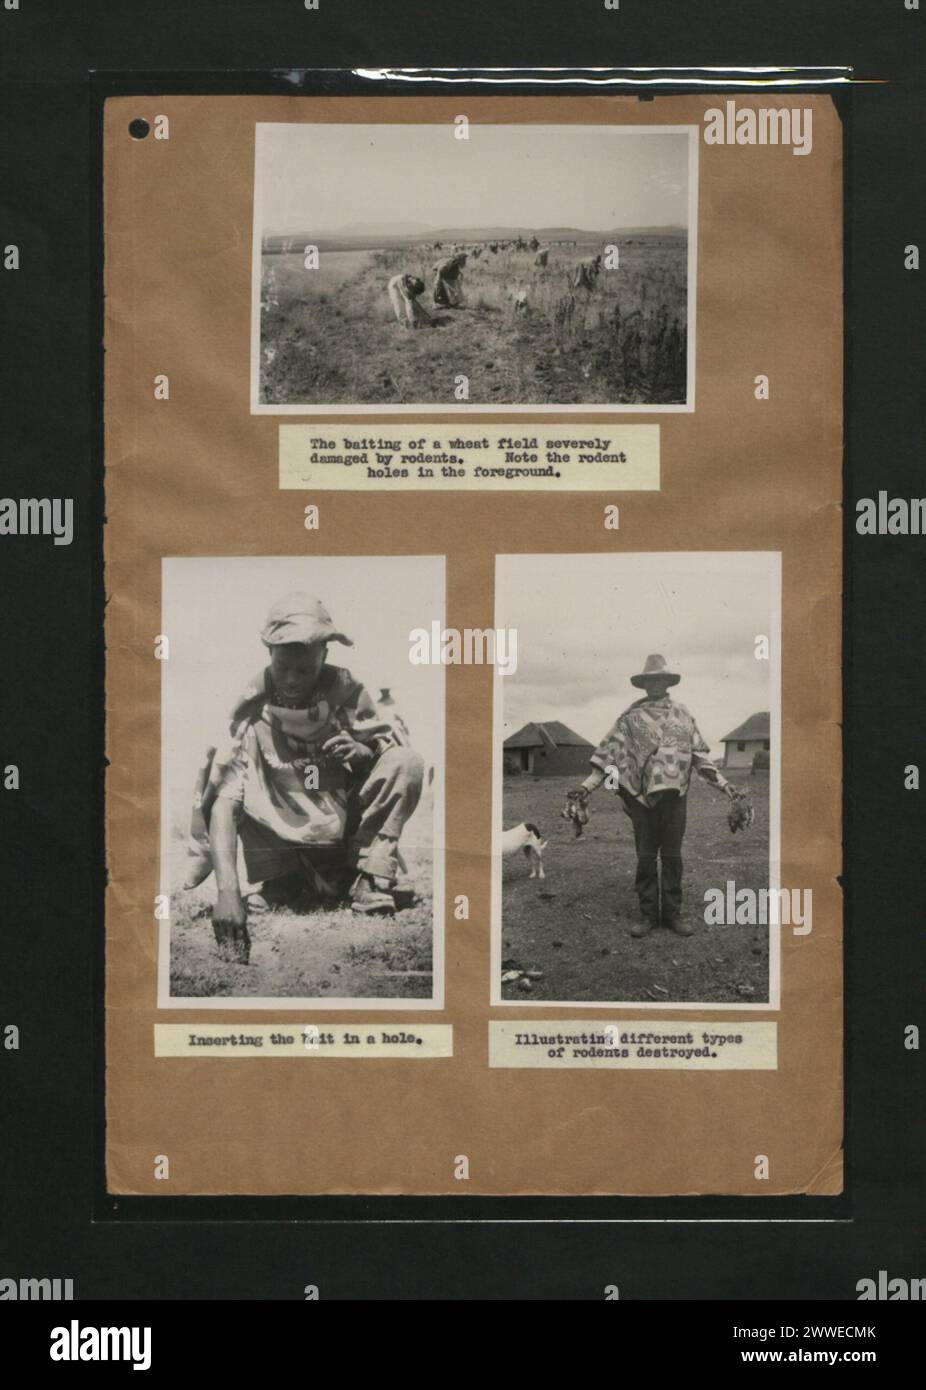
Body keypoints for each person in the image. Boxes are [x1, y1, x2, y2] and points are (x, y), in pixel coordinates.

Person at [184, 593, 425, 962]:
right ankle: (286, 881)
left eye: (305, 670)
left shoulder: (347, 693)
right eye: (283, 669)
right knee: (233, 780)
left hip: (335, 817)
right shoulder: (251, 709)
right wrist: (227, 893)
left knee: (405, 761)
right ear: (269, 656)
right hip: (283, 830)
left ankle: (367, 879)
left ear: (324, 657)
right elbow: (226, 802)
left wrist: (363, 754)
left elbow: (379, 751)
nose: (292, 681)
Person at [570, 654, 751, 938]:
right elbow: (610, 760)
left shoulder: (682, 715)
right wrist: (586, 788)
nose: (655, 684)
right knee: (645, 858)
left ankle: (672, 914)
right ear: (644, 684)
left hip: (675, 798)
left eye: (660, 679)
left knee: (672, 857)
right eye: (650, 680)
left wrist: (726, 786)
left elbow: (698, 759)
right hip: (641, 802)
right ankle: (647, 915)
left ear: (668, 682)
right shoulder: (629, 720)